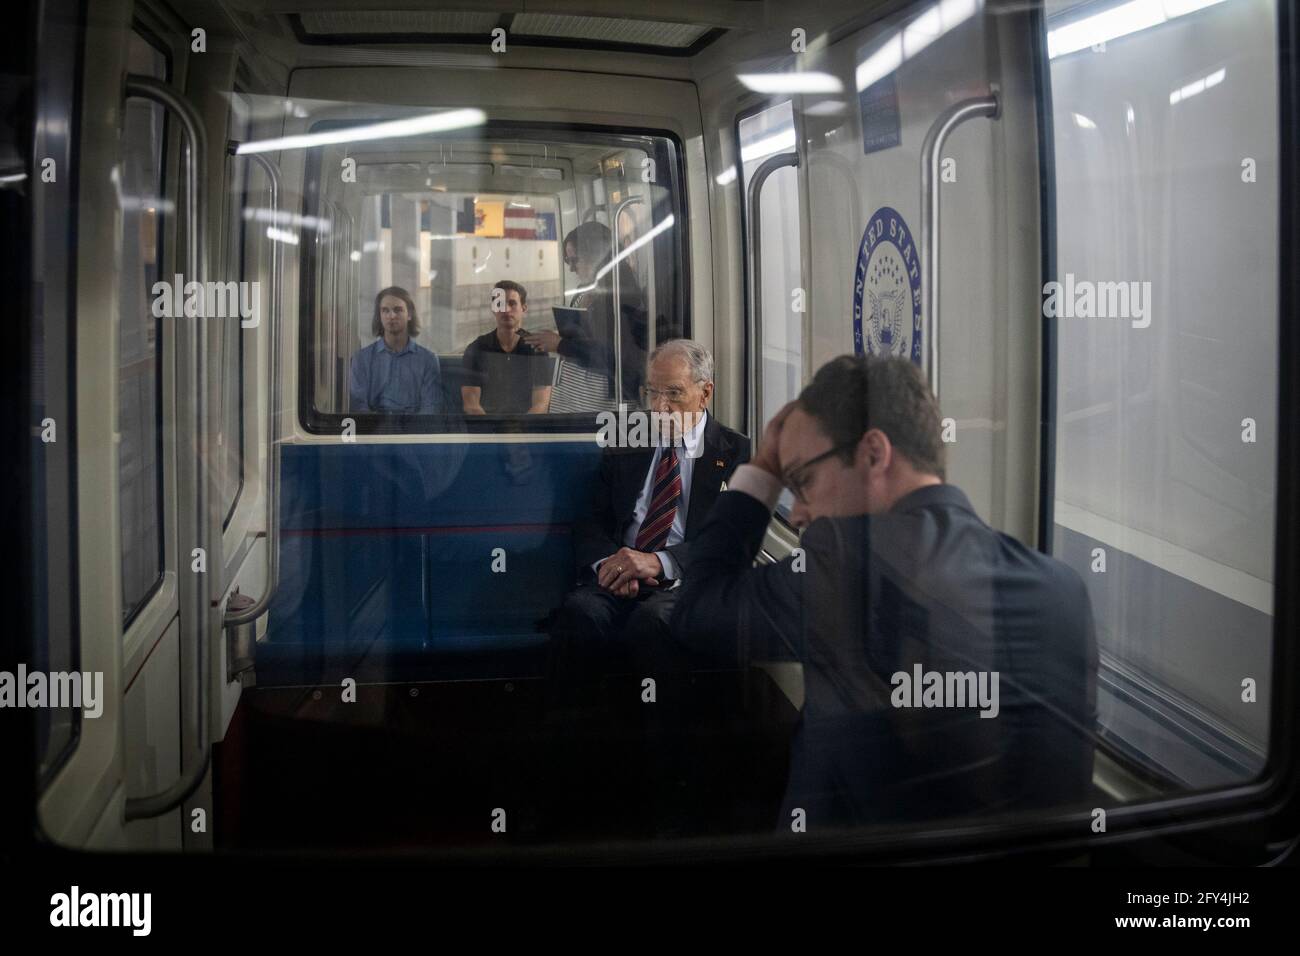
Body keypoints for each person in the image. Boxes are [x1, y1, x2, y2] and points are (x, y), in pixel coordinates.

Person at [670, 355, 1099, 828]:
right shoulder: (1063, 588)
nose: (795, 514)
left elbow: (696, 611)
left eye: (803, 482)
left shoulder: (843, 567)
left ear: (874, 454)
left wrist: (763, 470)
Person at [551, 340, 749, 673]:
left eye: (673, 394)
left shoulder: (733, 451)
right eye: (652, 393)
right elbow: (591, 519)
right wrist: (609, 567)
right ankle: (582, 722)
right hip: (619, 573)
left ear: (705, 393)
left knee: (653, 622)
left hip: (685, 582)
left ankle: (655, 722)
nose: (659, 407)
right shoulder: (628, 434)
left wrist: (659, 563)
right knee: (579, 613)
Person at [522, 221, 647, 411]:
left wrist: (560, 344)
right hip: (579, 395)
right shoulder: (586, 291)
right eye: (568, 261)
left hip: (602, 401)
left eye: (574, 260)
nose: (572, 268)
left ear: (595, 254)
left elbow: (618, 356)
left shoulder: (621, 296)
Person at [461, 280, 552, 415]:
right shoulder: (477, 349)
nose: (506, 310)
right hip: (487, 429)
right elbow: (471, 405)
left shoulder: (537, 349)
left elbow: (541, 405)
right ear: (493, 309)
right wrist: (492, 432)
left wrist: (520, 432)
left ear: (524, 308)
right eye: (500, 304)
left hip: (527, 430)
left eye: (512, 303)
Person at [348, 286, 443, 413]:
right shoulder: (361, 359)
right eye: (385, 310)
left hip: (414, 430)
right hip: (375, 429)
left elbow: (430, 409)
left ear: (409, 315)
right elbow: (359, 407)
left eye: (398, 310)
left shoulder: (428, 360)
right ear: (379, 315)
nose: (391, 316)